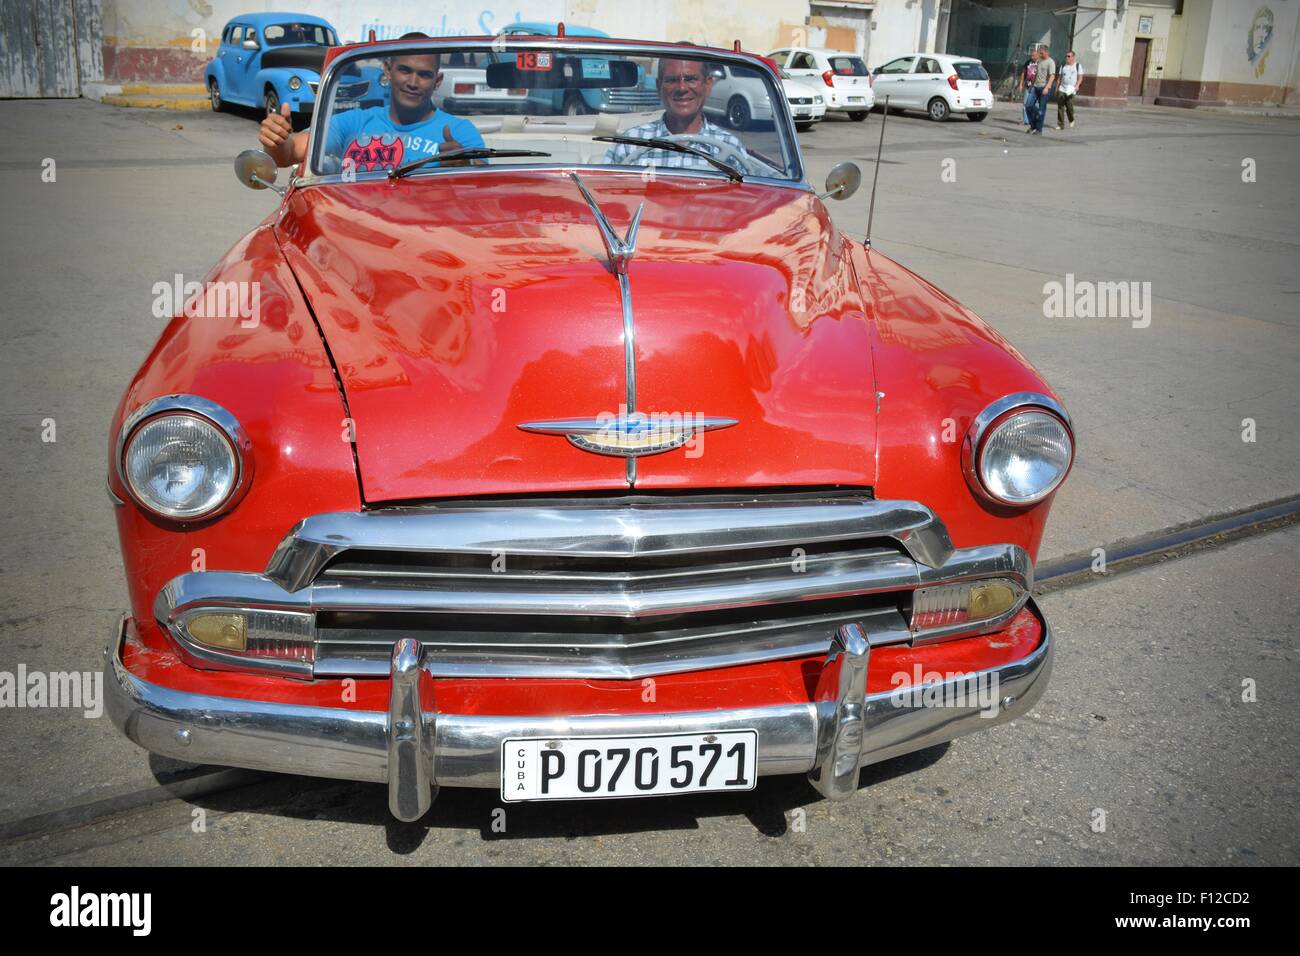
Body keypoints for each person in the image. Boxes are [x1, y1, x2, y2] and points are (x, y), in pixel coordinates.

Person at [258, 34, 484, 174]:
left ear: (438, 81)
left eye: (424, 75)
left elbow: (487, 186)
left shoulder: (459, 132)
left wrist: (464, 168)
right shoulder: (355, 122)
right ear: (388, 70)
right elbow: (288, 155)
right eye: (404, 70)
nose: (413, 82)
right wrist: (278, 141)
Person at [603, 54, 745, 170]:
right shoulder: (630, 144)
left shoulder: (730, 148)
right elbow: (605, 197)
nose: (682, 88)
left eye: (691, 79)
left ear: (708, 85)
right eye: (672, 80)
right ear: (659, 87)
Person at [1027, 44, 1055, 134]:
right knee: (1028, 106)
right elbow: (1036, 74)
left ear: (1047, 52)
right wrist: (1031, 86)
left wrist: (1047, 87)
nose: (1040, 54)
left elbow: (1052, 76)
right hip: (1035, 87)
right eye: (1040, 53)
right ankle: (1033, 126)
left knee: (1041, 110)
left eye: (1042, 53)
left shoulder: (1050, 62)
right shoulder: (1039, 61)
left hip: (1044, 88)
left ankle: (1038, 129)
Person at [1055, 50, 1081, 129]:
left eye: (1069, 56)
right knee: (1060, 106)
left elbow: (1080, 77)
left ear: (1073, 57)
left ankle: (1071, 119)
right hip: (1062, 88)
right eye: (1066, 56)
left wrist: (1077, 85)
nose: (1067, 58)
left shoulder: (1078, 66)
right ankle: (1060, 124)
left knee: (1069, 106)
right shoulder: (1063, 66)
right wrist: (1056, 89)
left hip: (1071, 89)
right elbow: (1059, 78)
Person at [1017, 48, 1039, 131]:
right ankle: (1026, 120)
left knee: (1034, 105)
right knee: (1025, 103)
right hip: (1028, 85)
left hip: (1036, 86)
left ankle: (1034, 120)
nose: (1032, 57)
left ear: (1038, 55)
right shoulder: (1028, 62)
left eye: (1034, 56)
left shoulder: (1040, 63)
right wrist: (1021, 84)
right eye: (1031, 56)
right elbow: (1023, 73)